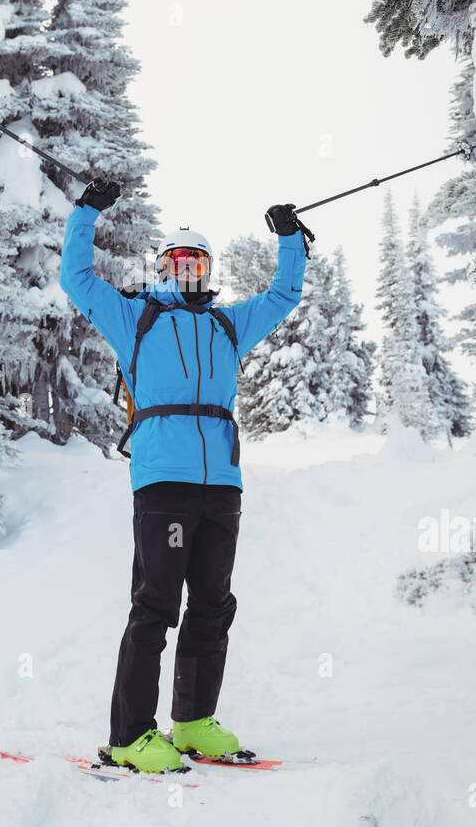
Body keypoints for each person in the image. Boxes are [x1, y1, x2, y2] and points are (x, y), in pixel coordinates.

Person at [60, 177, 309, 772]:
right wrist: (86, 211)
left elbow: (283, 296)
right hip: (163, 480)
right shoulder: (135, 320)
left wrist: (291, 237)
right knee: (155, 604)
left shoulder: (228, 325)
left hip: (222, 485)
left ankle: (193, 721)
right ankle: (129, 737)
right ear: (163, 269)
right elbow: (77, 279)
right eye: (177, 261)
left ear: (208, 269)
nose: (188, 270)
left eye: (197, 261)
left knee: (213, 605)